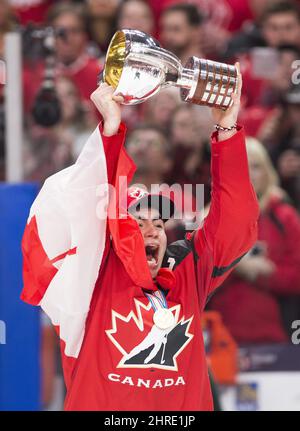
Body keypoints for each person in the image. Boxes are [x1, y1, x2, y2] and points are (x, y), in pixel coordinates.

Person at [21, 65, 259, 410]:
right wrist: (111, 131)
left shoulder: (186, 273)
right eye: (140, 222)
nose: (153, 230)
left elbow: (237, 224)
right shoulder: (91, 277)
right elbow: (81, 207)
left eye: (160, 224)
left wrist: (226, 129)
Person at [208, 137, 300, 344]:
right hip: (218, 340)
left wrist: (265, 273)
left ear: (267, 172)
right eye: (240, 166)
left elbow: (297, 277)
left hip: (277, 337)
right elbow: (192, 282)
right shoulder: (208, 220)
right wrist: (239, 266)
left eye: (256, 166)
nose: (249, 173)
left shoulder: (284, 217)